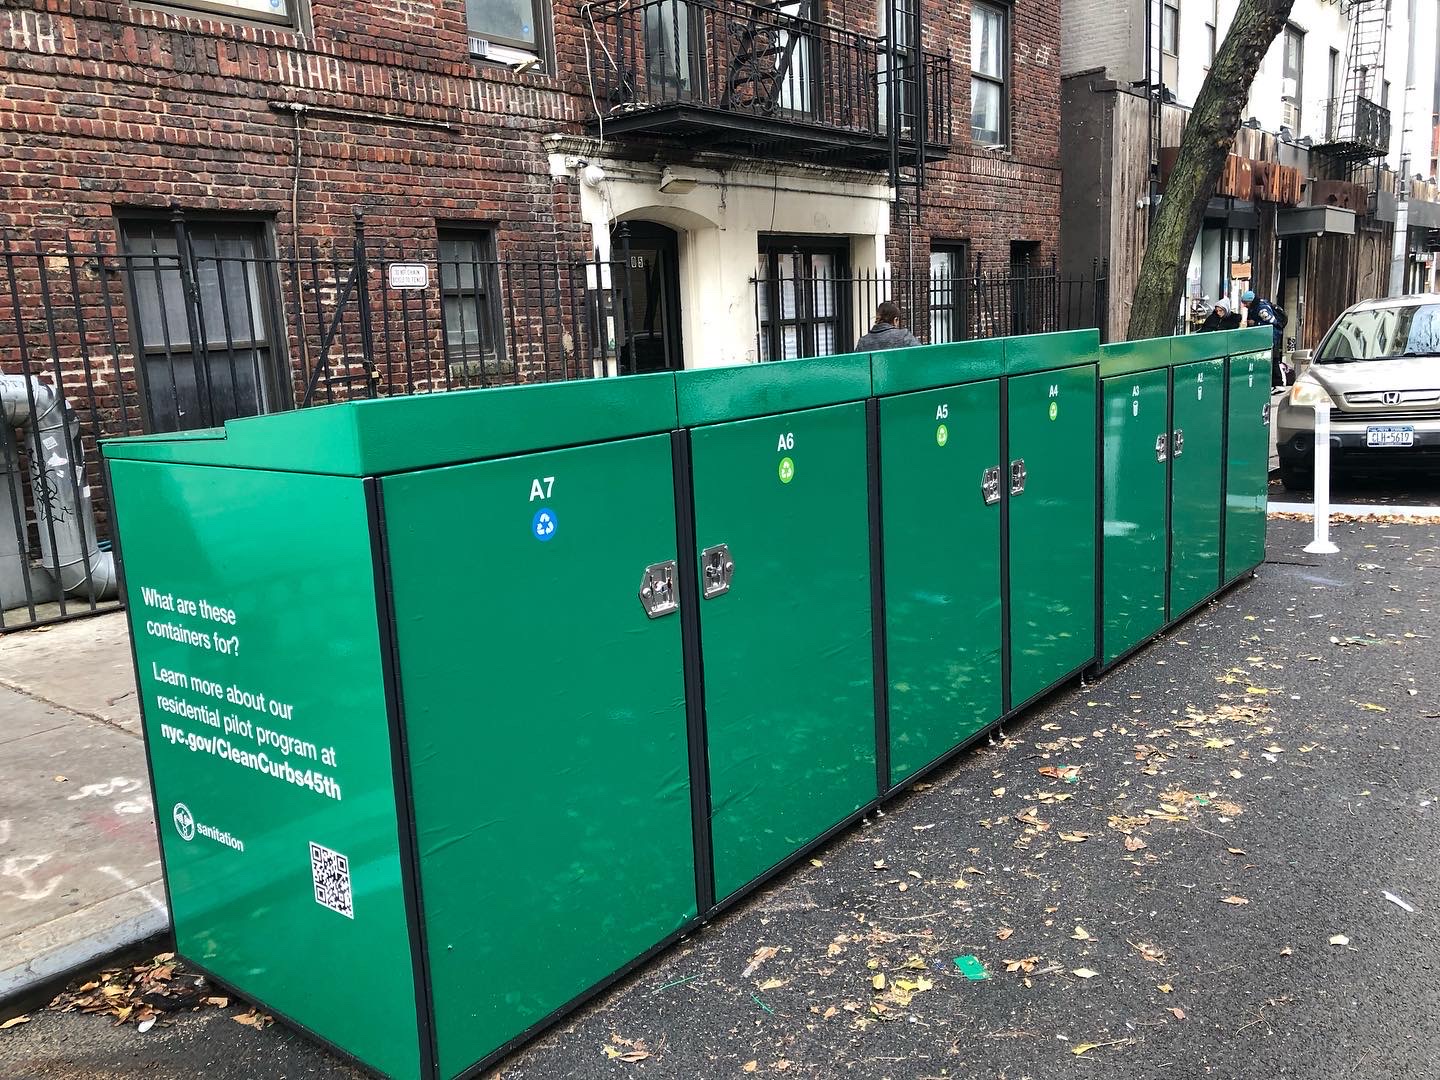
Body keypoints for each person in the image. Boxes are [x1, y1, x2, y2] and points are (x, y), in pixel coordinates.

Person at [1240, 289, 1290, 387]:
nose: (1245, 305)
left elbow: (1272, 322)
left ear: (1250, 301)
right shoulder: (1257, 305)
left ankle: (1277, 383)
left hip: (1271, 336)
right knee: (1271, 359)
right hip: (1266, 336)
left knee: (1272, 359)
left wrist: (1256, 323)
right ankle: (1274, 382)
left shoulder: (1261, 308)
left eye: (1245, 303)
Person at [856, 301, 922, 352]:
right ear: (895, 320)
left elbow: (857, 364)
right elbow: (921, 353)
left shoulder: (863, 341)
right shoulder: (904, 335)